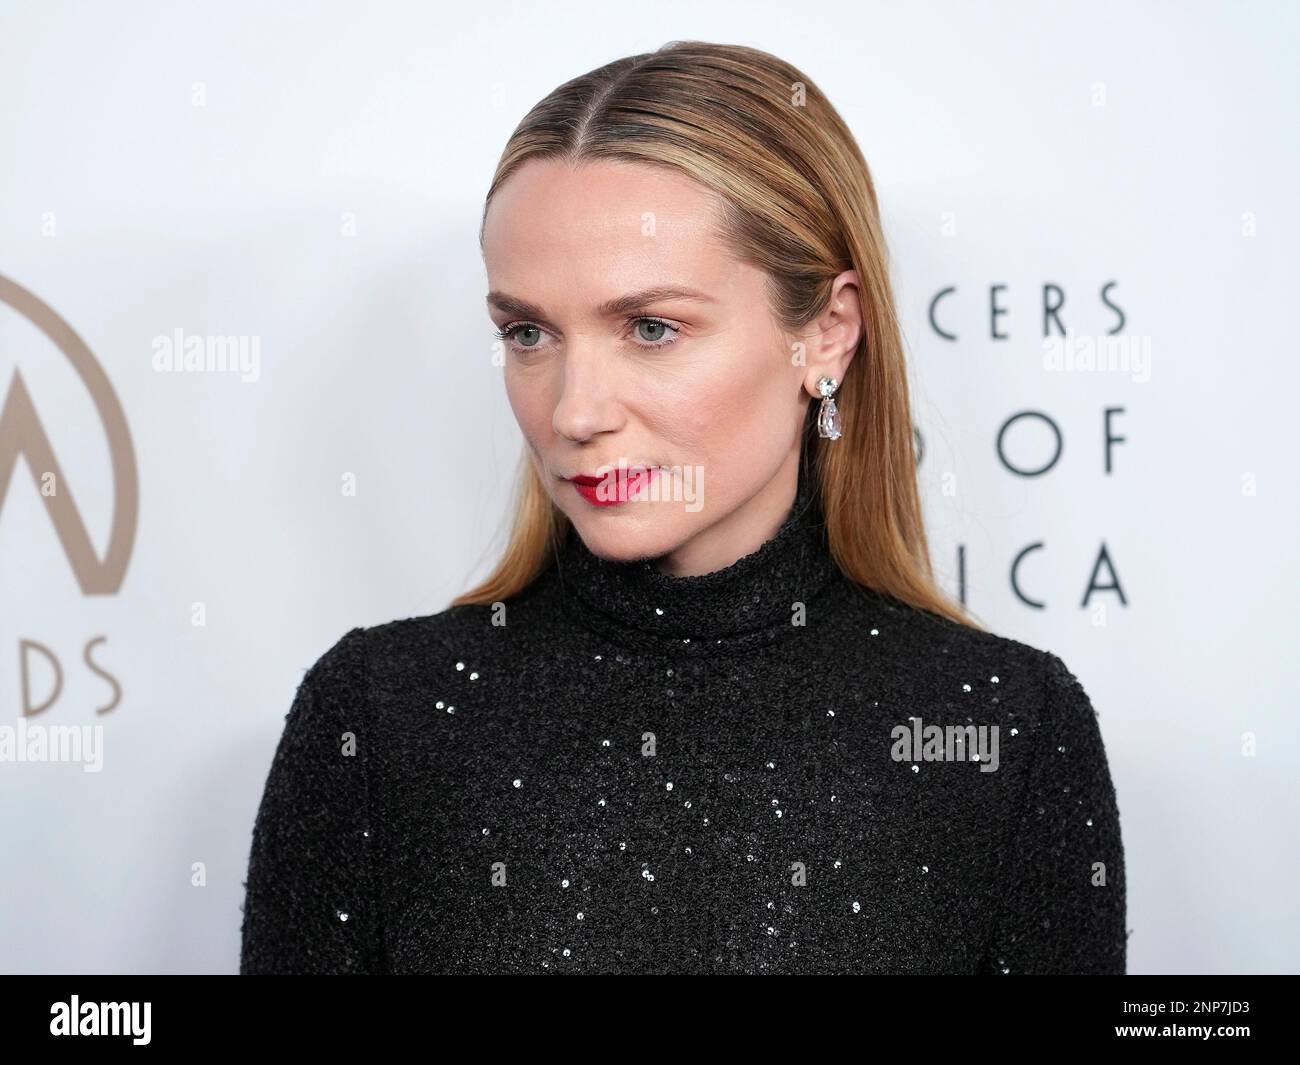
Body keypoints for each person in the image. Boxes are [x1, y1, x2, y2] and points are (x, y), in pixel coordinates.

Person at [239, 40, 1126, 974]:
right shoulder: (380, 716)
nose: (574, 411)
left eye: (652, 327)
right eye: (528, 332)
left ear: (827, 334)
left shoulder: (1009, 730)